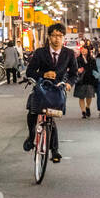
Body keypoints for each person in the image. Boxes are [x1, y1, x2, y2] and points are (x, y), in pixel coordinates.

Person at [24, 23, 78, 162]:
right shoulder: (40, 52)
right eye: (53, 35)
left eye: (60, 36)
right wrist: (43, 75)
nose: (56, 39)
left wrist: (68, 84)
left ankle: (54, 150)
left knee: (50, 118)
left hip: (57, 90)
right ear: (49, 37)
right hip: (41, 87)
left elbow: (74, 74)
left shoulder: (69, 53)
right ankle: (31, 137)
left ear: (63, 38)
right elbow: (30, 71)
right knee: (32, 112)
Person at [75, 43, 97, 119]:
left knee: (89, 96)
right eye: (82, 49)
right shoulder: (77, 59)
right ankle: (83, 111)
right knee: (81, 97)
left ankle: (87, 107)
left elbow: (95, 69)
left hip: (90, 79)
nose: (83, 51)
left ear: (88, 51)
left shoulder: (92, 59)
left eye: (85, 49)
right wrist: (77, 70)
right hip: (80, 80)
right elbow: (74, 68)